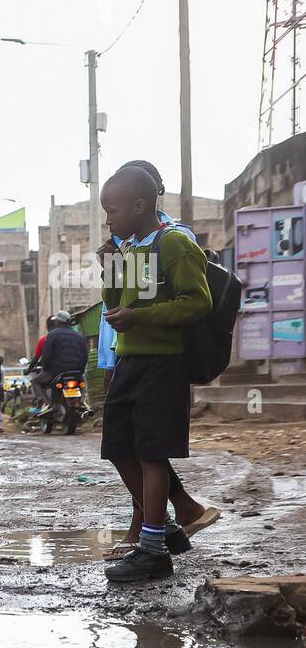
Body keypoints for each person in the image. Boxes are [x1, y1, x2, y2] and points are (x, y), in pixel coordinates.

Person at [98, 160, 220, 558]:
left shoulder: (174, 243)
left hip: (162, 363)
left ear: (138, 207)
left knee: (152, 452)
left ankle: (151, 544)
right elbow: (120, 303)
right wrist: (111, 271)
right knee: (118, 447)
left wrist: (140, 317)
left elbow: (198, 302)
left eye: (111, 212)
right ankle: (163, 526)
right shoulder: (132, 249)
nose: (107, 221)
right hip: (128, 361)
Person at [30, 310, 89, 415]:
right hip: (77, 372)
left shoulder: (52, 335)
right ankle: (82, 402)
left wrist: (46, 368)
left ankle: (48, 404)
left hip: (56, 372)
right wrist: (81, 370)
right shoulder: (79, 336)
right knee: (83, 384)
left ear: (57, 322)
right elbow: (85, 356)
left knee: (35, 382)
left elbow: (47, 355)